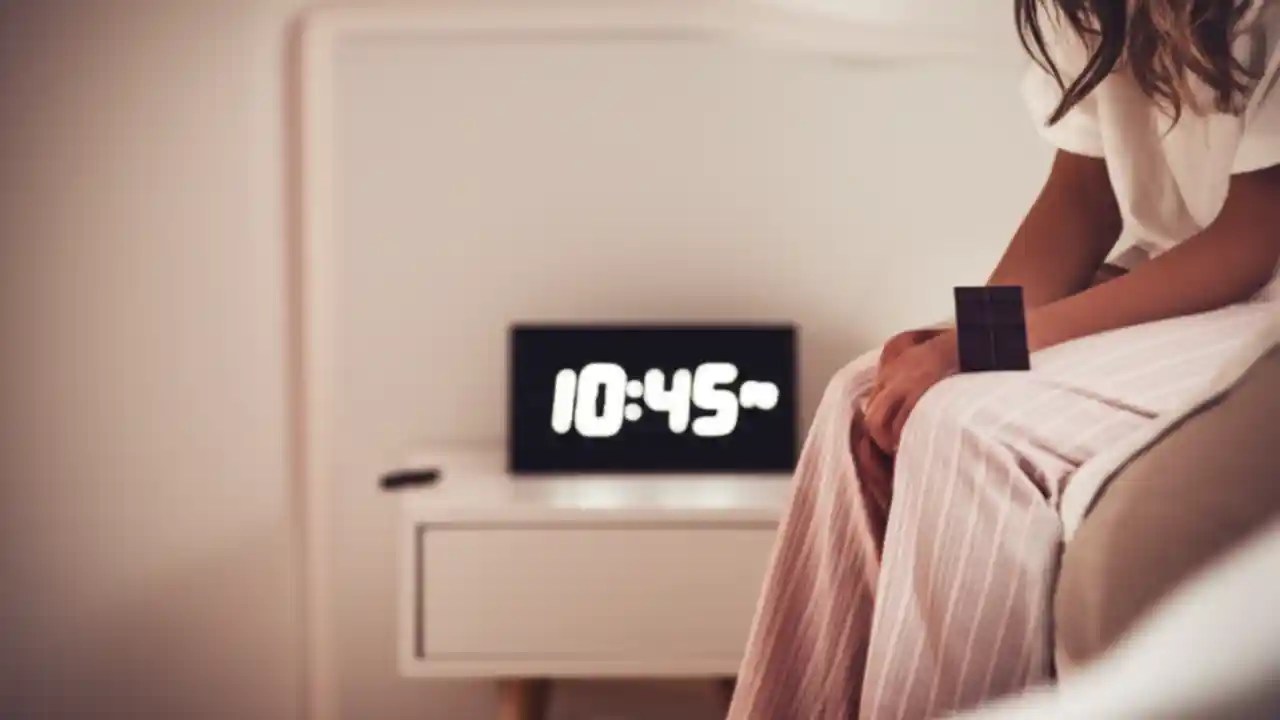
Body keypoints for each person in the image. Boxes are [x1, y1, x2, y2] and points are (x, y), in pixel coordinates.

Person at [727, 1, 1280, 718]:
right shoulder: (1081, 8)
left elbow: (1252, 240)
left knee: (966, 426)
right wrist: (967, 337)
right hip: (1171, 275)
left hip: (1262, 304)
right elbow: (1080, 197)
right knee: (861, 398)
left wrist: (978, 351)